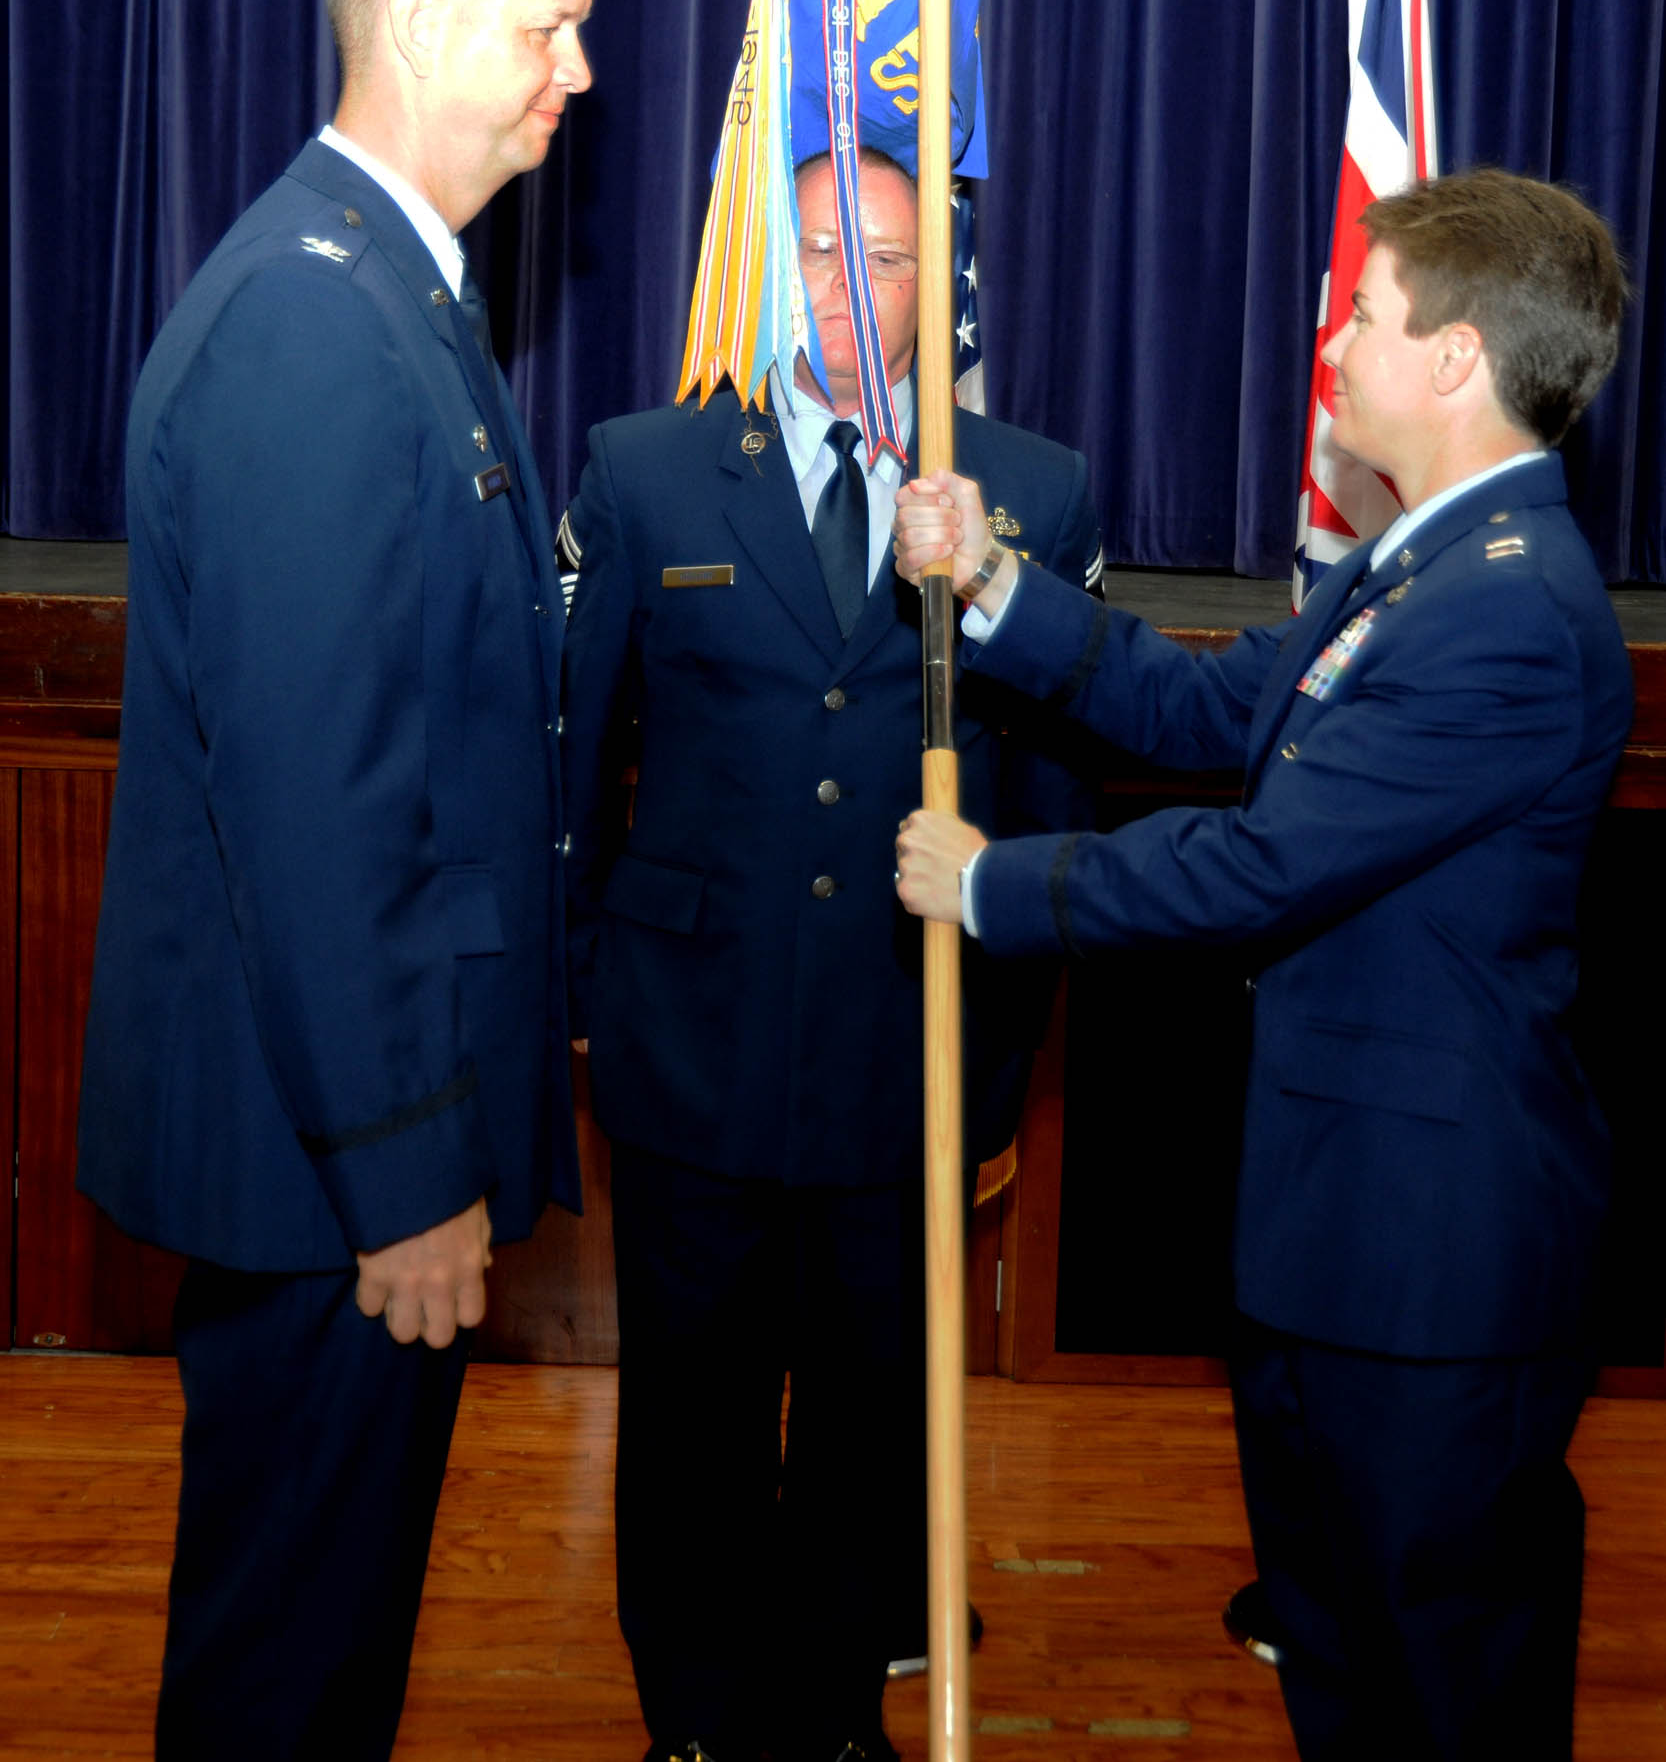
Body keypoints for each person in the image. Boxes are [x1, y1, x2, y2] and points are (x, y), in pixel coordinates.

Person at [893, 169, 1631, 1762]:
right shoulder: (1415, 565)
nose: (1332, 349)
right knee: (1344, 1661)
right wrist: (999, 590)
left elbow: (1261, 865)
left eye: (1361, 315)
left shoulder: (1506, 609)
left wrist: (994, 885)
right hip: (1340, 1233)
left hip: (1437, 1261)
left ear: (1452, 360)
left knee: (1438, 1678)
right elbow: (1223, 721)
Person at [77, 0, 603, 1761]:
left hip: (342, 1141)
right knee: (288, 1661)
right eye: (547, 28)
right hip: (332, 1171)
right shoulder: (320, 320)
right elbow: (324, 815)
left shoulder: (394, 286)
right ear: (420, 13)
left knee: (321, 1627)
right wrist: (407, 1181)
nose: (578, 70)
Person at [559, 147, 1103, 1762]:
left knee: (874, 1421)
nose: (844, 288)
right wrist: (585, 1004)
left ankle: (830, 1717)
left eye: (880, 256)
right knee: (692, 1420)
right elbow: (576, 764)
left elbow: (1051, 799)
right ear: (766, 268)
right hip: (690, 1046)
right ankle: (698, 1725)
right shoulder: (646, 470)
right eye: (812, 252)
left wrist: (1003, 1046)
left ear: (939, 282)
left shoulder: (1032, 489)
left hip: (905, 1048)